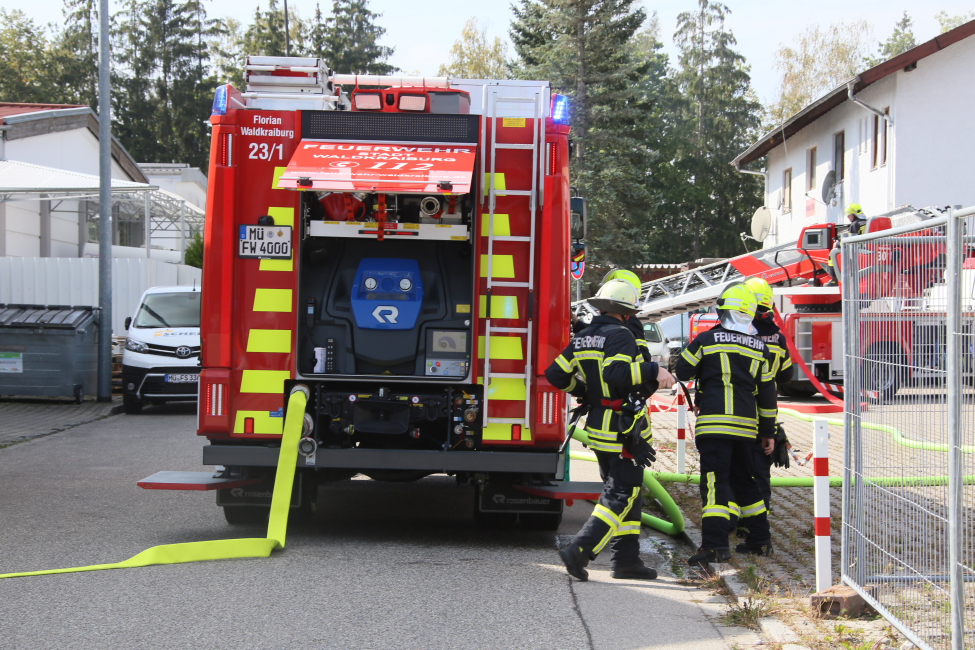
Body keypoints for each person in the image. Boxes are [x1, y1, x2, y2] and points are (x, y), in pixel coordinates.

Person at [546, 277, 676, 581]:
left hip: (599, 427)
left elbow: (556, 374)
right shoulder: (620, 334)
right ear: (627, 312)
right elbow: (617, 374)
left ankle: (626, 560)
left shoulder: (584, 336)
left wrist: (583, 390)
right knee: (621, 493)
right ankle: (580, 549)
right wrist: (654, 369)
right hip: (621, 430)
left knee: (629, 494)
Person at [675, 283, 778, 565]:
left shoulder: (706, 340)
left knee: (715, 483)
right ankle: (760, 540)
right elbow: (768, 394)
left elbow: (682, 370)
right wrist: (768, 432)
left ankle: (715, 545)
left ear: (722, 311)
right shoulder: (760, 348)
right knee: (746, 483)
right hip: (747, 428)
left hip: (714, 426)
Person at [726, 278, 794, 554]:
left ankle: (730, 522)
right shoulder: (776, 337)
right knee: (759, 475)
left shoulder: (737, 333)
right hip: (765, 416)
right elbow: (786, 375)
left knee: (730, 472)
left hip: (734, 413)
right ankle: (754, 529)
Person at [825, 204, 867, 286]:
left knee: (832, 254)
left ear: (854, 214)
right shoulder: (866, 222)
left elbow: (850, 240)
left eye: (849, 215)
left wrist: (837, 244)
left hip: (855, 251)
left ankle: (834, 279)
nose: (848, 217)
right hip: (864, 249)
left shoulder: (855, 224)